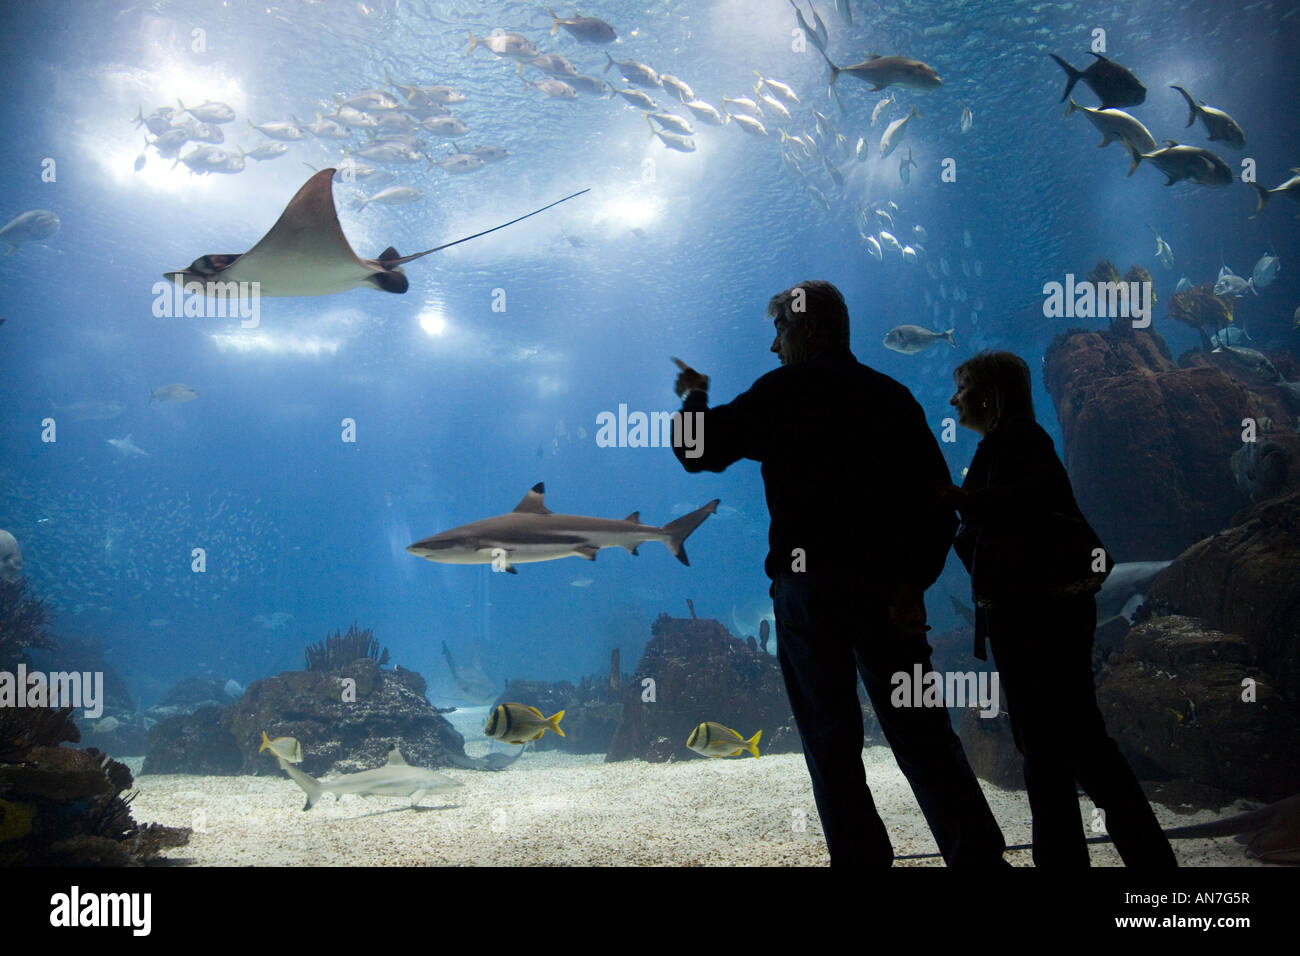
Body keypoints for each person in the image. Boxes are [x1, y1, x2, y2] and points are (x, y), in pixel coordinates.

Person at [670, 280, 1007, 867]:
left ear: (806, 328)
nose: (773, 348)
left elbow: (697, 451)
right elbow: (937, 501)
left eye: (779, 331)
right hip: (886, 593)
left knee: (831, 746)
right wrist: (913, 584)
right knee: (924, 735)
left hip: (809, 596)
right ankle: (979, 861)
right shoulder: (891, 397)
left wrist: (695, 396)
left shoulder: (782, 393)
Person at [944, 350, 1177, 868]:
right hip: (1032, 618)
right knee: (1053, 750)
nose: (953, 399)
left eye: (962, 387)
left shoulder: (1022, 441)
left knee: (1076, 749)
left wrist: (957, 501)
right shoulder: (999, 448)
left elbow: (1017, 508)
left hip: (1040, 620)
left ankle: (1152, 871)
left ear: (990, 395)